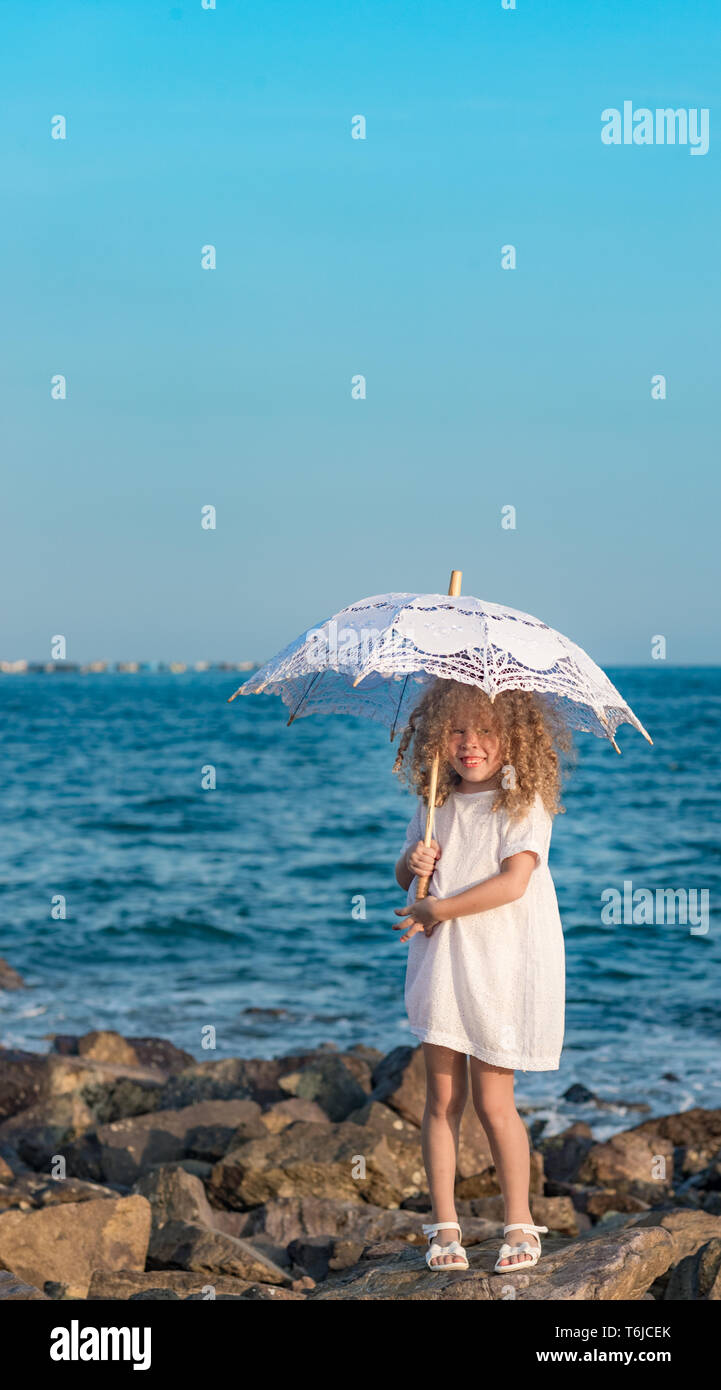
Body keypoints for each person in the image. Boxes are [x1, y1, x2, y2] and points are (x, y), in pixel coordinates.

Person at [392, 677, 573, 1273]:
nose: (471, 744)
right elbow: (407, 875)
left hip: (501, 960)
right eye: (458, 731)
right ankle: (445, 1225)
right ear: (438, 737)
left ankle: (519, 1222)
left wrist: (435, 908)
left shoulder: (523, 802)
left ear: (514, 737)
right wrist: (411, 863)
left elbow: (512, 882)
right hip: (443, 959)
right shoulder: (435, 799)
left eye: (487, 731)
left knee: (496, 1100)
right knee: (442, 1096)